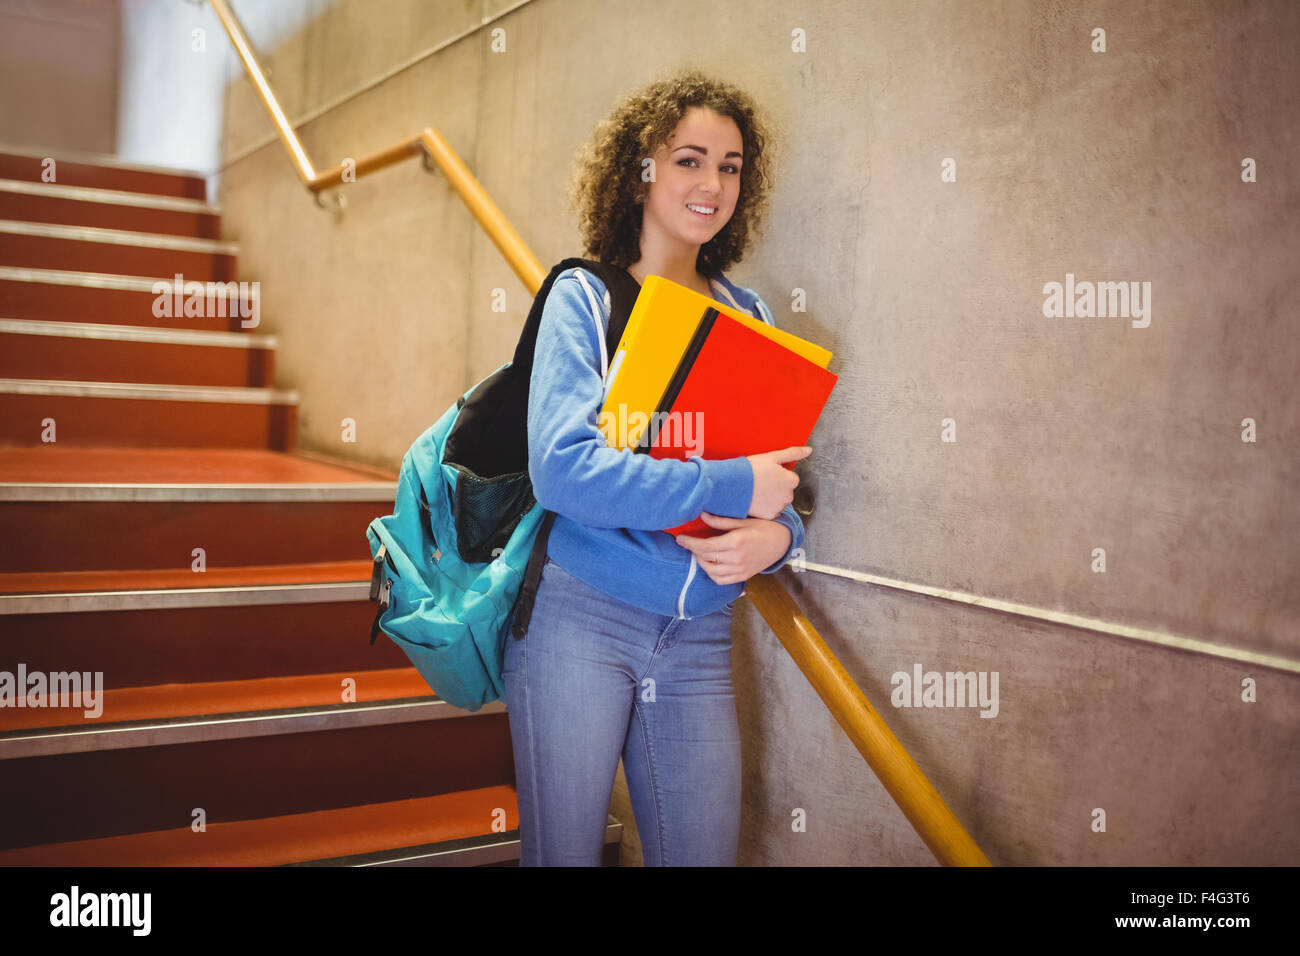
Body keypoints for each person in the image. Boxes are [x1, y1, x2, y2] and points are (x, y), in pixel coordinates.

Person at [503, 68, 813, 866]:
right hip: (581, 623)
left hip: (700, 638)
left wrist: (779, 538)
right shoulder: (586, 297)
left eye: (731, 166)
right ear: (640, 171)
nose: (712, 183)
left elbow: (782, 483)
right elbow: (565, 473)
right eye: (689, 159)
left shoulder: (750, 318)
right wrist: (732, 485)